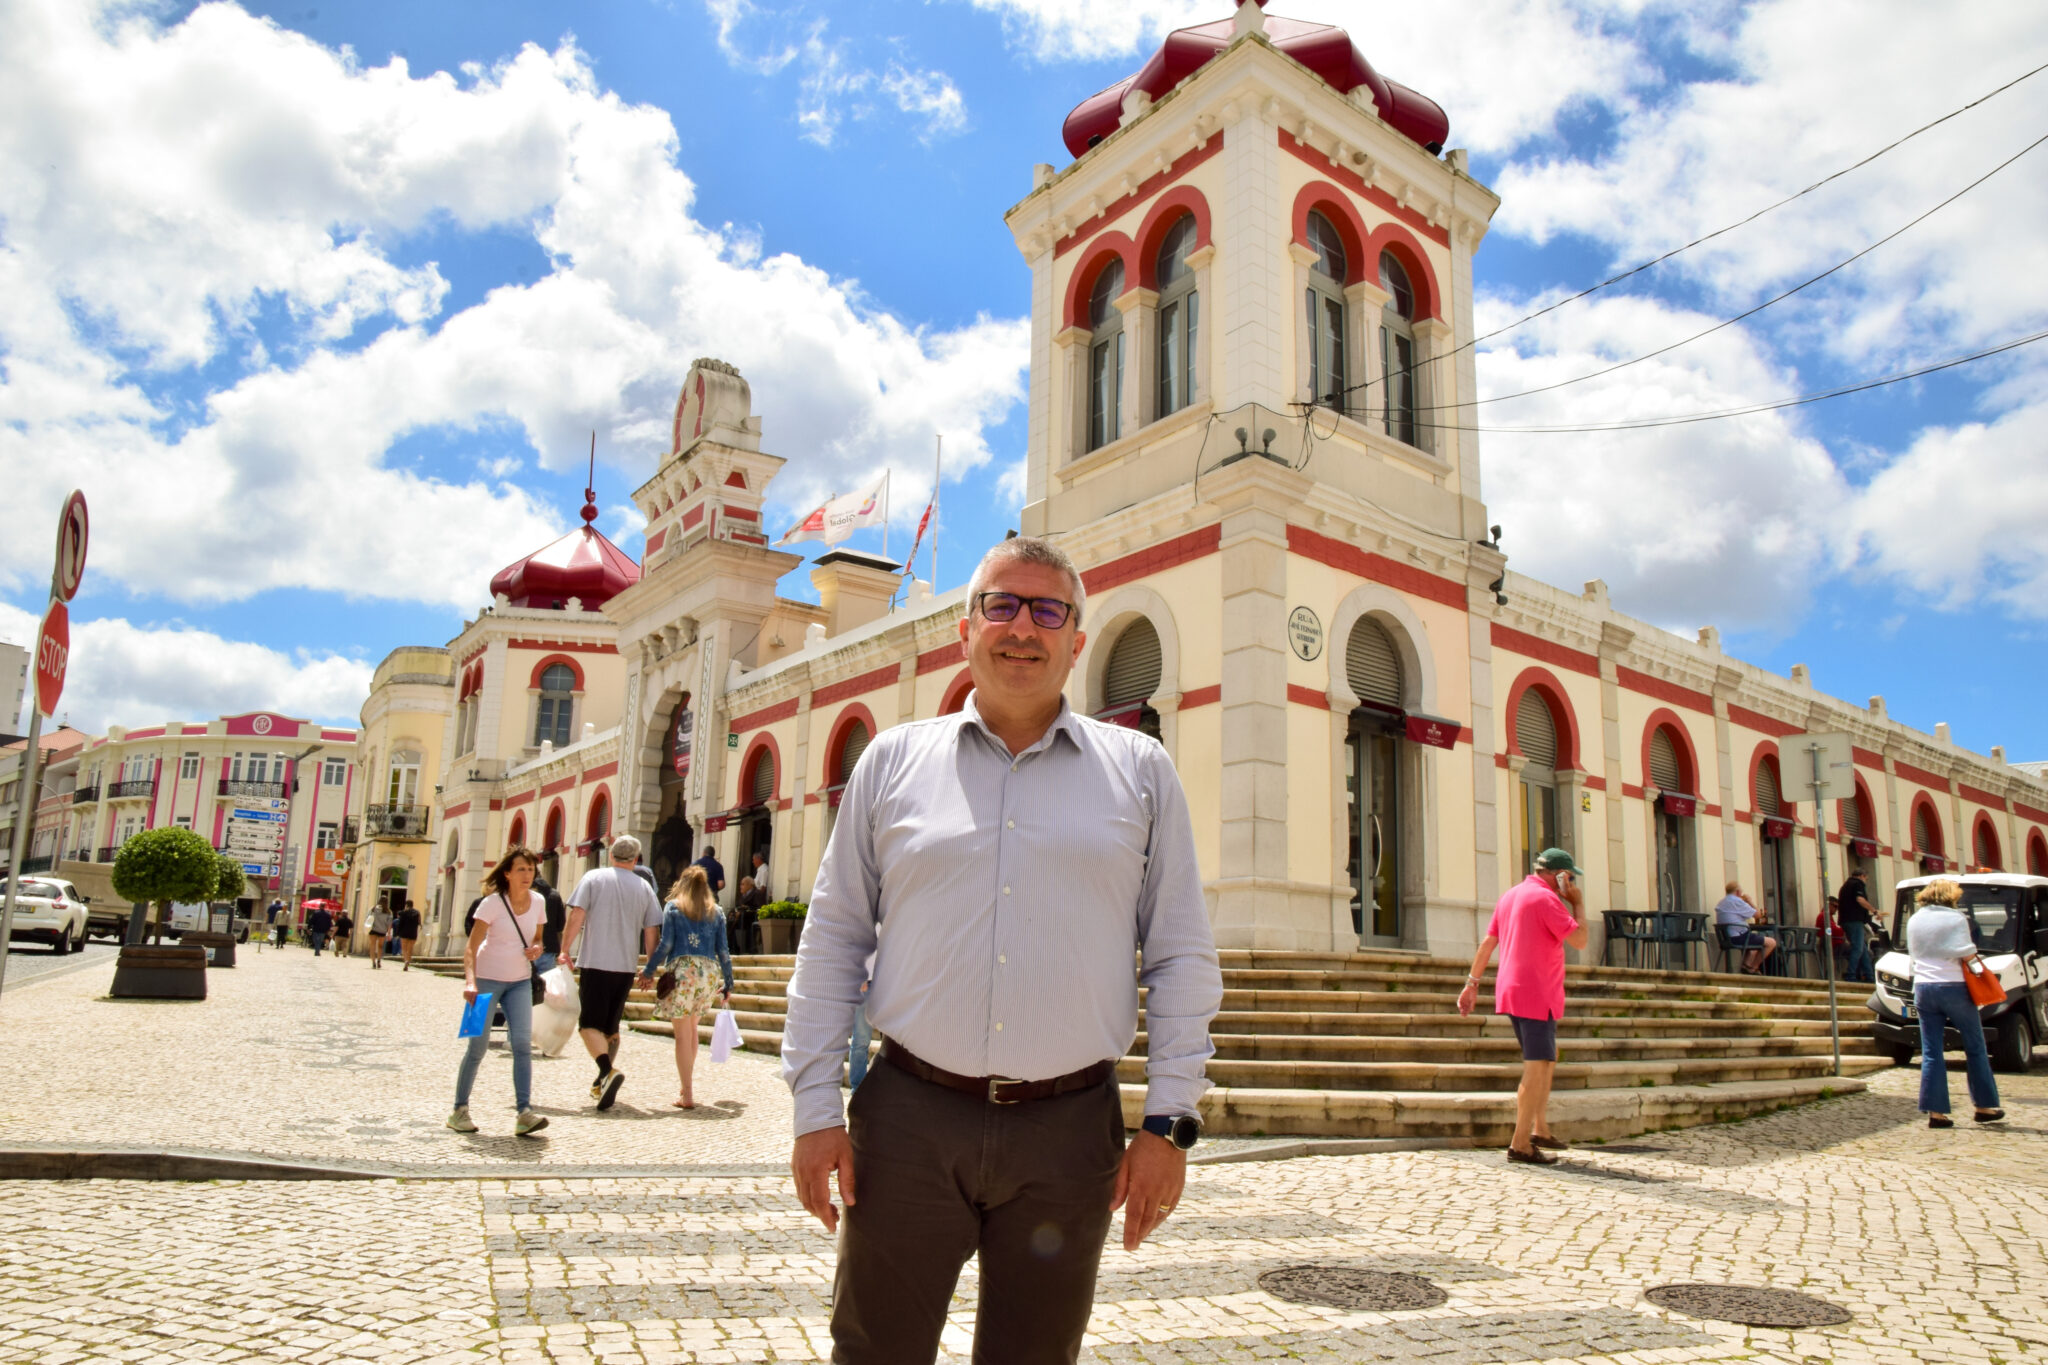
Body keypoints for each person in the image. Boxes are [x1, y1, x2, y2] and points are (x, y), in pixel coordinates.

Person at [782, 536, 1223, 1365]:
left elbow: (1180, 955)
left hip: (1068, 1134)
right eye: (1003, 604)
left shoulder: (1142, 771)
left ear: (1075, 640)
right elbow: (834, 937)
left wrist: (1169, 1122)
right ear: (966, 627)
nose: (1023, 626)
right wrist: (813, 1110)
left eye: (1047, 609)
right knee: (874, 1350)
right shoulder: (891, 763)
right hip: (910, 1122)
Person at [1457, 848, 1589, 1165]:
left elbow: (1489, 942)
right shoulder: (1547, 900)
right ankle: (1520, 1144)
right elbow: (1581, 940)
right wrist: (1579, 904)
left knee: (1546, 1060)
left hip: (1513, 990)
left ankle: (1540, 1129)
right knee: (1538, 1065)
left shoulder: (1511, 895)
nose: (1570, 883)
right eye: (1569, 877)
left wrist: (1471, 984)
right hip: (1537, 991)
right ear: (1557, 874)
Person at [448, 845, 549, 1137]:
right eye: (521, 869)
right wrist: (470, 982)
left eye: (530, 870)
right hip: (485, 980)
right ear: (507, 873)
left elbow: (539, 939)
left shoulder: (539, 902)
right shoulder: (491, 903)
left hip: (518, 982)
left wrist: (536, 950)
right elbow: (471, 947)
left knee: (521, 1046)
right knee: (476, 1047)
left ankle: (524, 1113)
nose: (527, 875)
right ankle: (459, 1110)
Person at [562, 834, 664, 1111]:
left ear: (611, 855)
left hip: (595, 961)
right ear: (635, 859)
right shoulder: (644, 887)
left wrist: (564, 948)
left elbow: (577, 915)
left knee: (587, 1026)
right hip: (625, 966)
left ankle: (607, 1071)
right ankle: (602, 1080)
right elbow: (651, 930)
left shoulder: (593, 878)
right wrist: (649, 967)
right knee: (611, 1028)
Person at [1906, 879, 2004, 1128]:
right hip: (1954, 987)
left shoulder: (1914, 919)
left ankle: (1936, 1113)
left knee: (1931, 1052)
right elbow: (1967, 952)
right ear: (1951, 897)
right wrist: (1981, 972)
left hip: (1923, 987)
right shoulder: (1955, 918)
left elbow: (1914, 953)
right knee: (1975, 1046)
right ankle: (1984, 1107)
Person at [650, 864, 733, 1109]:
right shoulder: (716, 911)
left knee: (681, 1036)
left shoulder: (674, 907)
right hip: (708, 975)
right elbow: (723, 951)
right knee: (692, 1030)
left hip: (683, 973)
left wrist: (648, 969)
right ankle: (686, 1085)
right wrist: (729, 982)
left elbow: (665, 945)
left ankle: (687, 1093)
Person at [1713, 882, 1777, 974]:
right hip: (1738, 937)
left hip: (1726, 938)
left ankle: (1746, 966)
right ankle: (1753, 967)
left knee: (1754, 946)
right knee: (1771, 942)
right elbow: (1758, 915)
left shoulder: (1722, 902)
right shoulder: (1737, 901)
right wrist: (1750, 901)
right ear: (1738, 892)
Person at [1838, 867, 1879, 983]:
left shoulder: (1845, 886)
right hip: (1855, 921)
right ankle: (1851, 975)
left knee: (1863, 949)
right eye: (1866, 878)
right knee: (1857, 949)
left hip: (1845, 921)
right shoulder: (1857, 884)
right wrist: (1874, 911)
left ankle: (1869, 975)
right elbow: (1860, 899)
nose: (1865, 880)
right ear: (1861, 876)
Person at [733, 875, 767, 955]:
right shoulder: (743, 895)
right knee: (729, 922)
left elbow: (759, 908)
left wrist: (746, 908)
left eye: (743, 884)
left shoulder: (757, 893)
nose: (740, 886)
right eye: (740, 884)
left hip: (751, 918)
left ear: (750, 885)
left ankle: (746, 949)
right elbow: (738, 906)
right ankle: (733, 947)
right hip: (742, 918)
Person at [394, 901, 421, 969]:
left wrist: (397, 933)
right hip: (413, 933)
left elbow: (400, 924)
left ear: (406, 905)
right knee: (410, 949)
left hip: (404, 932)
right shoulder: (417, 913)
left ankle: (406, 960)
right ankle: (408, 961)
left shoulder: (403, 913)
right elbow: (419, 923)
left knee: (404, 948)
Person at [366, 903, 392, 968]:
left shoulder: (373, 909)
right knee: (380, 946)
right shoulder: (388, 911)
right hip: (382, 931)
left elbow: (368, 918)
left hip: (373, 930)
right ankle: (379, 960)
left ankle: (373, 962)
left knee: (372, 945)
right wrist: (389, 933)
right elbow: (389, 923)